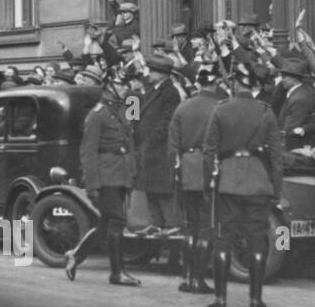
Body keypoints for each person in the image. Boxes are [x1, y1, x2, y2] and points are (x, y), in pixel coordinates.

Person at [202, 60, 285, 307]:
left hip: (228, 181)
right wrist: (276, 190)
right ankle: (255, 299)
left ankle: (220, 299)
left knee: (223, 239)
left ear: (235, 83)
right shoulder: (265, 111)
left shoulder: (221, 109)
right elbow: (277, 158)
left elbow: (209, 152)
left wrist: (209, 184)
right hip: (259, 183)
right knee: (258, 240)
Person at [64, 65, 141, 286]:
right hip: (105, 176)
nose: (125, 89)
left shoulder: (120, 109)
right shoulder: (97, 115)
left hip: (120, 174)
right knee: (117, 220)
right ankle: (117, 273)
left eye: (126, 85)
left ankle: (75, 256)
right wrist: (93, 185)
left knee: (106, 223)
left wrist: (132, 171)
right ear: (109, 87)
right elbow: (87, 153)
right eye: (121, 85)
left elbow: (130, 140)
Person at [167, 64, 228, 294]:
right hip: (209, 167)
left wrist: (177, 169)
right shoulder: (220, 107)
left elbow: (172, 145)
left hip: (186, 167)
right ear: (214, 83)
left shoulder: (183, 107)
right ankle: (199, 280)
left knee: (189, 226)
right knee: (206, 226)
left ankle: (187, 278)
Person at [135, 52, 186, 243]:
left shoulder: (170, 92)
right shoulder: (151, 89)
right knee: (151, 188)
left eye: (151, 70)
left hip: (160, 149)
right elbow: (138, 114)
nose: (147, 73)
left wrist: (150, 139)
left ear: (161, 74)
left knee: (163, 190)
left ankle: (171, 224)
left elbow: (167, 121)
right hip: (148, 148)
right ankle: (156, 223)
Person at [274, 58, 315, 151]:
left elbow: (288, 131)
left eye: (284, 77)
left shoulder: (299, 99)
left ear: (294, 78)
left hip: (292, 148)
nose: (282, 80)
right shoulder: (302, 90)